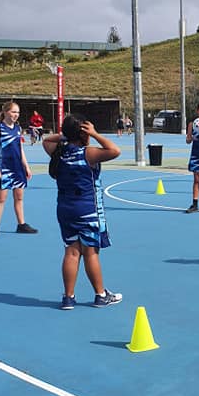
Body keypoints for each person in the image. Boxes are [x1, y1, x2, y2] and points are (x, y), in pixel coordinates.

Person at [42, 115, 122, 310]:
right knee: (91, 252)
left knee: (71, 251)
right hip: (87, 209)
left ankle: (68, 297)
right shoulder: (88, 153)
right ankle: (100, 294)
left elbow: (46, 140)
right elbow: (115, 150)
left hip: (65, 208)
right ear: (83, 133)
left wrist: (66, 135)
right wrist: (94, 134)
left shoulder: (59, 152)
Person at [0, 101, 37, 239]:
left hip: (18, 168)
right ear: (6, 112)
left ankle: (21, 224)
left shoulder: (17, 128)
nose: (16, 115)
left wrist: (26, 166)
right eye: (14, 112)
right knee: (1, 198)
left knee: (19, 197)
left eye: (18, 112)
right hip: (4, 168)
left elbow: (20, 148)